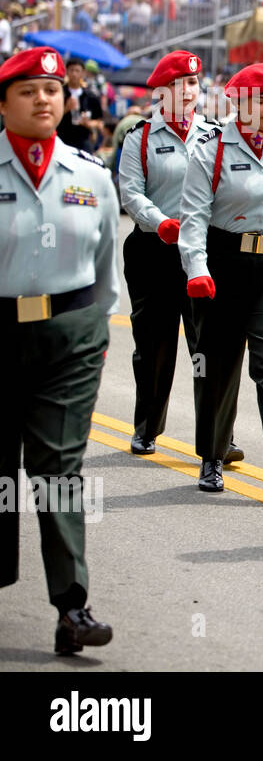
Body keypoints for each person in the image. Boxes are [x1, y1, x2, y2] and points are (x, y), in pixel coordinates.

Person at [0, 46, 118, 654]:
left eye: (52, 89)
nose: (44, 99)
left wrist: (95, 330)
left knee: (58, 472)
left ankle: (72, 606)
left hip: (69, 339)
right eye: (27, 90)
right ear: (3, 104)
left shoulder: (90, 174)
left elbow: (105, 268)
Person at [178, 62, 263, 498]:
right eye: (262, 100)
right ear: (238, 103)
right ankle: (212, 456)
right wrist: (196, 268)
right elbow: (194, 217)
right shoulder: (211, 149)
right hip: (224, 265)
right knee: (218, 364)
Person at [117, 50, 229, 457]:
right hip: (154, 253)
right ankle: (147, 426)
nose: (188, 92)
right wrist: (159, 222)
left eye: (194, 84)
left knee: (208, 348)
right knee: (154, 347)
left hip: (201, 252)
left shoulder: (217, 135)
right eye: (179, 85)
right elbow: (130, 191)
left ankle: (217, 435)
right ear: (161, 92)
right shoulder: (141, 136)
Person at [58, 58, 104, 153]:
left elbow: (100, 122)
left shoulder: (90, 96)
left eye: (77, 71)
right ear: (67, 72)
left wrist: (88, 123)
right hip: (62, 140)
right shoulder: (59, 93)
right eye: (71, 70)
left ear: (83, 73)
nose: (74, 74)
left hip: (83, 141)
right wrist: (66, 109)